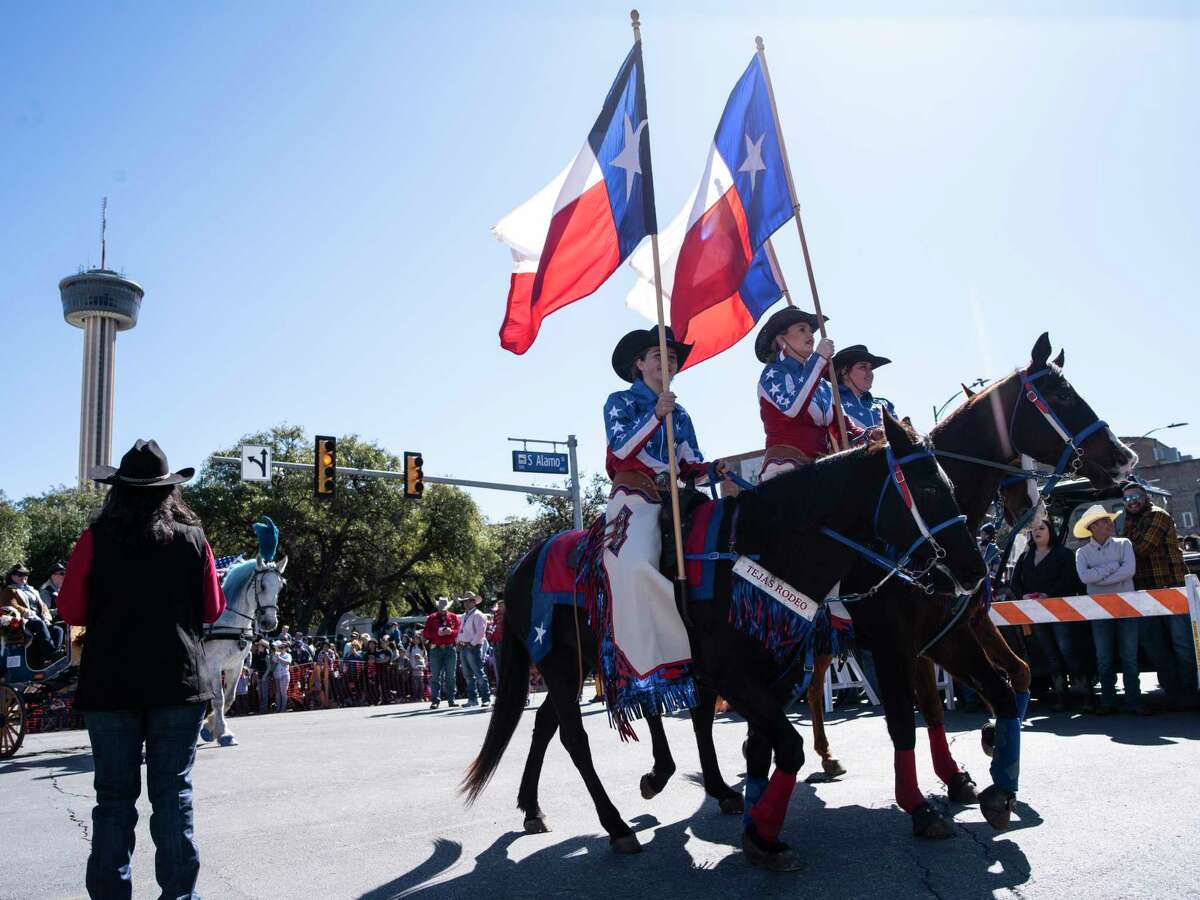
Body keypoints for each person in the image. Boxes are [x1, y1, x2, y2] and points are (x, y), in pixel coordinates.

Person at [55, 438, 226, 899]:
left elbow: (70, 608)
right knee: (172, 796)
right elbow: (213, 608)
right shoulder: (193, 539)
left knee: (113, 800)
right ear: (167, 491)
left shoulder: (95, 539)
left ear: (118, 490)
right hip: (177, 682)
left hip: (110, 685)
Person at [603, 326, 725, 715]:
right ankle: (647, 669)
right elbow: (621, 447)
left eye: (672, 357)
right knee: (636, 564)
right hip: (634, 495)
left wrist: (717, 470)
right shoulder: (619, 402)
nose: (668, 361)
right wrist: (656, 415)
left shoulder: (681, 412)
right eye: (659, 356)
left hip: (676, 495)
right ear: (639, 364)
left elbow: (691, 466)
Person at [754, 308, 860, 481]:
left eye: (811, 331)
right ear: (781, 340)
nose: (810, 335)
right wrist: (818, 360)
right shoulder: (772, 374)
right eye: (802, 329)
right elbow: (792, 409)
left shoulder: (823, 383)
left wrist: (873, 435)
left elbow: (844, 429)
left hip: (820, 469)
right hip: (785, 472)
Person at [1121, 481, 1196, 709]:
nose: (1132, 502)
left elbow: (1142, 548)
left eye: (1135, 497)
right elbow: (1125, 550)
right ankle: (1172, 691)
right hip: (1145, 593)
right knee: (1154, 645)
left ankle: (1190, 691)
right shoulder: (1129, 522)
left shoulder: (1159, 516)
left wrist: (1118, 552)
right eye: (1127, 499)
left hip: (1171, 589)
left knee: (1182, 644)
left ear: (1145, 498)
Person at [1011, 519, 1091, 711]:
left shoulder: (1064, 554)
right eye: (1034, 529)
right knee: (1050, 654)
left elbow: (1070, 580)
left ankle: (1086, 695)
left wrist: (1049, 595)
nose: (1037, 532)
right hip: (1036, 614)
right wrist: (1024, 595)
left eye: (1042, 528)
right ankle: (1061, 695)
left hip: (1061, 612)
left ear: (1050, 531)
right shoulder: (1025, 557)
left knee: (1068, 651)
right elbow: (1015, 583)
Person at [1074, 504, 1144, 715]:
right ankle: (1107, 702)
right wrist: (1113, 567)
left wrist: (1101, 577)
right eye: (1104, 521)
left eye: (1109, 520)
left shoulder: (1124, 544)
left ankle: (1134, 701)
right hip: (1099, 611)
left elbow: (1129, 571)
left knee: (1129, 656)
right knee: (1103, 657)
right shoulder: (1082, 552)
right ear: (1092, 527)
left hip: (1126, 608)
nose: (1109, 524)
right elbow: (1085, 578)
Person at [832, 344, 896, 437]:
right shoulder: (832, 401)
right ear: (844, 371)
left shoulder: (884, 405)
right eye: (863, 367)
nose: (869, 373)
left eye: (870, 368)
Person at [2, 563, 64, 659]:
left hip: (38, 619)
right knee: (39, 624)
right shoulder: (9, 590)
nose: (24, 576)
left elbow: (43, 606)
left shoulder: (32, 590)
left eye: (25, 574)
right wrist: (29, 612)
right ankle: (51, 654)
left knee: (59, 628)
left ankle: (55, 652)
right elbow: (12, 605)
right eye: (20, 574)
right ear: (12, 576)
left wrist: (45, 616)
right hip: (23, 620)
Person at [423, 597, 460, 709]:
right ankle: (435, 701)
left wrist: (451, 631)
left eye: (444, 608)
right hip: (436, 649)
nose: (442, 610)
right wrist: (437, 633)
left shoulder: (454, 617)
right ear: (438, 607)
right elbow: (425, 633)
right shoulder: (432, 617)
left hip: (450, 649)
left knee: (450, 676)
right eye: (440, 608)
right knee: (435, 676)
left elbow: (459, 631)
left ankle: (451, 700)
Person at [456, 593, 491, 707]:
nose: (465, 603)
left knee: (478, 673)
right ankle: (472, 699)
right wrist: (458, 641)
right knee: (468, 675)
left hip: (473, 647)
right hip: (463, 646)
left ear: (473, 602)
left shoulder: (478, 615)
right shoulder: (463, 616)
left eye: (468, 601)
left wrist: (471, 644)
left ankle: (486, 698)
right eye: (464, 601)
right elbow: (459, 630)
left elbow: (481, 632)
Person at [268, 640, 292, 712]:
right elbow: (273, 663)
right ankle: (278, 708)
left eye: (282, 647)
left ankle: (283, 708)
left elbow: (287, 663)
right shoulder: (276, 654)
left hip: (284, 675)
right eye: (280, 647)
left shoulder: (288, 655)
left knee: (283, 692)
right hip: (277, 676)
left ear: (286, 648)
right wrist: (276, 655)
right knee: (278, 693)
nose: (281, 648)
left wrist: (279, 658)